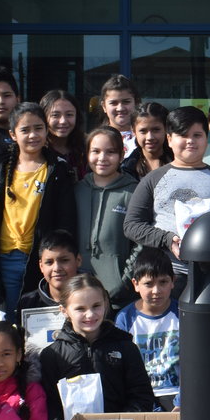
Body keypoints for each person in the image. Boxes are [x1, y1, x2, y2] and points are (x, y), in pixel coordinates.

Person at [123, 105, 210, 283]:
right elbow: (132, 225)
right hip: (166, 279)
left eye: (197, 135)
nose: (190, 141)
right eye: (183, 135)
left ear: (206, 138)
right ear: (169, 139)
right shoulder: (153, 179)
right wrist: (167, 239)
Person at [0, 102, 77, 305]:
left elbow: (66, 222)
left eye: (38, 128)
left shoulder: (58, 170)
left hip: (43, 262)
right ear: (13, 134)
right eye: (25, 130)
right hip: (6, 260)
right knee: (12, 324)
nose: (33, 135)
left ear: (47, 130)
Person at [38, 274, 155, 420]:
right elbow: (49, 405)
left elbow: (142, 396)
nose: (90, 314)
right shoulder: (52, 355)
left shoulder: (125, 347)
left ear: (106, 304)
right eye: (80, 308)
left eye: (96, 306)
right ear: (64, 310)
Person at [75, 126, 138, 303]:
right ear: (87, 154)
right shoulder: (77, 190)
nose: (102, 158)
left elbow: (140, 243)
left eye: (110, 152)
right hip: (79, 290)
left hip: (119, 294)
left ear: (122, 155)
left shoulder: (133, 192)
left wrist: (124, 280)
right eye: (96, 151)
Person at [113, 247, 181, 410]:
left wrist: (181, 402)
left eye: (163, 282)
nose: (156, 290)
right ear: (135, 284)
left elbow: (196, 364)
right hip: (140, 396)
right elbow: (121, 367)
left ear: (173, 281)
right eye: (148, 284)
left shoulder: (183, 314)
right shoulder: (125, 318)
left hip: (177, 394)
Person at [119, 101, 171, 180]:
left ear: (166, 129)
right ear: (134, 131)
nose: (150, 137)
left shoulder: (182, 162)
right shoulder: (126, 168)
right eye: (143, 131)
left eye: (156, 130)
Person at [40, 89, 87, 178]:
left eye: (69, 115)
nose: (63, 121)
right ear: (43, 118)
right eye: (55, 115)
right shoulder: (37, 151)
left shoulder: (87, 148)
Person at [99, 73, 141, 157]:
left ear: (136, 103)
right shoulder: (96, 140)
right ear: (104, 106)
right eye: (113, 103)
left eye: (126, 102)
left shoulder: (146, 138)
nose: (120, 108)